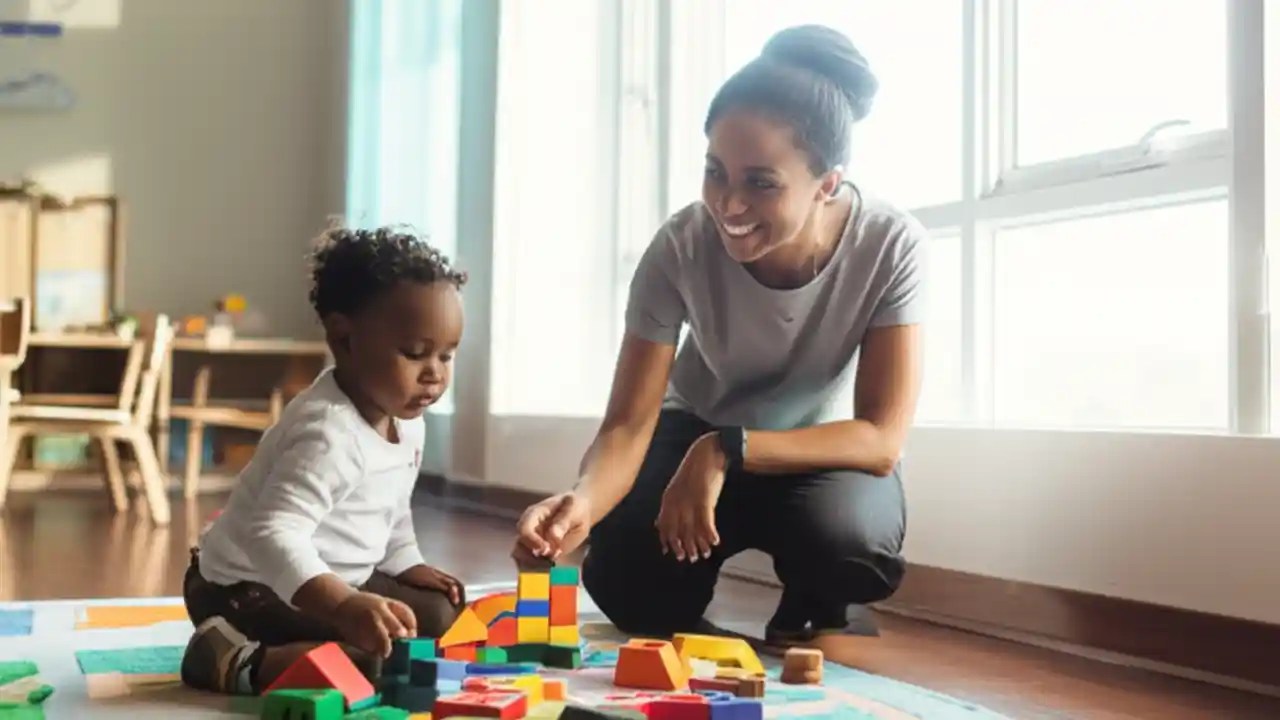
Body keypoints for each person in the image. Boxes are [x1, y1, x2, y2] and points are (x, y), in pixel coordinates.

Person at [514, 24, 926, 644]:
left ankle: (814, 593)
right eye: (715, 172)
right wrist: (582, 504)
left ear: (827, 184)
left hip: (813, 451)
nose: (728, 206)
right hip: (691, 429)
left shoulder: (891, 245)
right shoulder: (679, 246)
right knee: (630, 587)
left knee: (851, 551)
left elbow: (880, 440)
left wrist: (725, 450)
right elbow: (627, 425)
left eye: (761, 182)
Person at [180, 225, 469, 694]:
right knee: (367, 664)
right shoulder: (328, 432)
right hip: (244, 590)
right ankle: (230, 659)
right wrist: (342, 606)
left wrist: (407, 563)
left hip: (330, 578)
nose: (434, 374)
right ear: (344, 339)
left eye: (447, 355)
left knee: (437, 616)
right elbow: (272, 536)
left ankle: (327, 636)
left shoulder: (408, 422)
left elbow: (391, 514)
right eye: (415, 353)